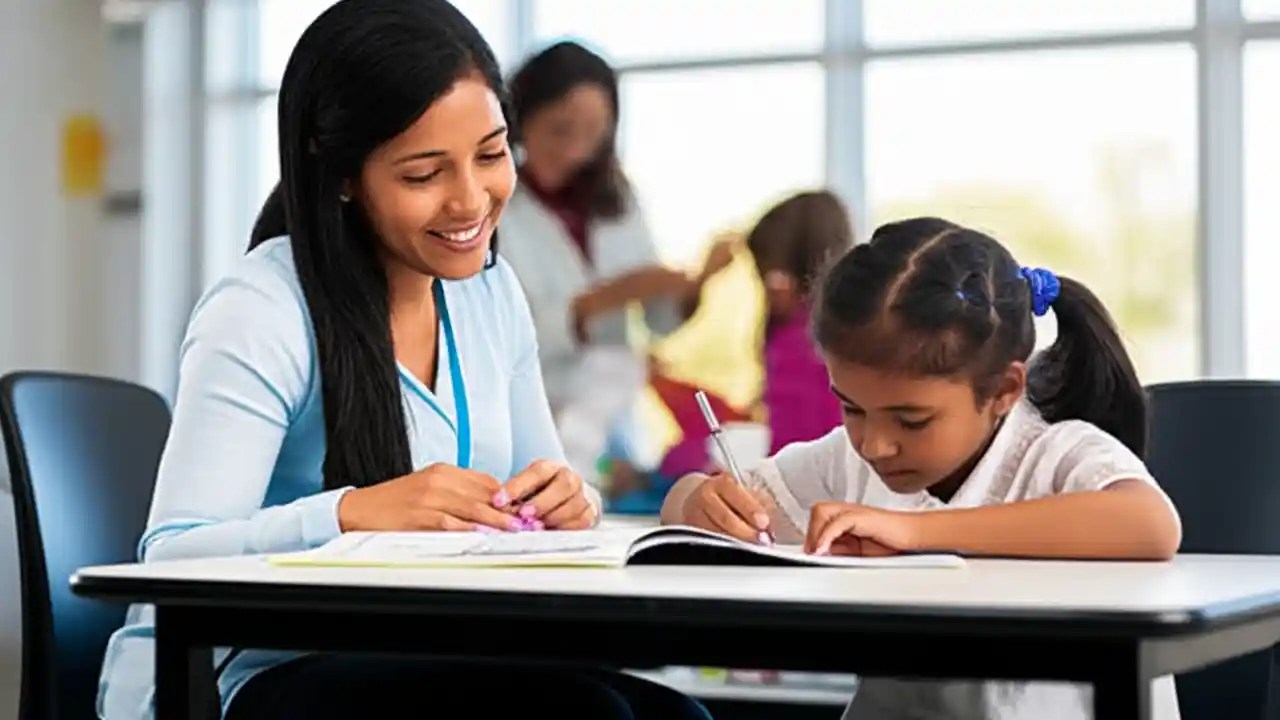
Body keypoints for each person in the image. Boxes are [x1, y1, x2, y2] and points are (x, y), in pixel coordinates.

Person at [96, 2, 708, 718]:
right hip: (246, 674)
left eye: (490, 154)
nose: (472, 200)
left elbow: (550, 497)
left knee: (677, 716)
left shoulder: (489, 294)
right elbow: (173, 557)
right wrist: (355, 513)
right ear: (346, 176)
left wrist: (571, 502)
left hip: (426, 650)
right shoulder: (262, 307)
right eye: (424, 175)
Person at [660, 217, 1183, 719]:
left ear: (1003, 391)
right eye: (852, 407)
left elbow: (1151, 525)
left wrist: (914, 532)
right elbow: (698, 504)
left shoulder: (1056, 452)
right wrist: (694, 500)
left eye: (912, 421)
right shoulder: (848, 457)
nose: (875, 444)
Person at [499, 40, 734, 484]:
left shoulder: (617, 200)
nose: (574, 151)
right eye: (559, 129)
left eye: (592, 134)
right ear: (521, 119)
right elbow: (506, 330)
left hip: (610, 415)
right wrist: (606, 299)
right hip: (533, 410)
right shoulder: (497, 203)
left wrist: (695, 283)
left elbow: (659, 322)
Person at [656, 190, 853, 481]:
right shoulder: (813, 332)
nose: (769, 291)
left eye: (772, 277)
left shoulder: (802, 342)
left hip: (803, 486)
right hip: (804, 477)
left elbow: (795, 447)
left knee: (680, 464)